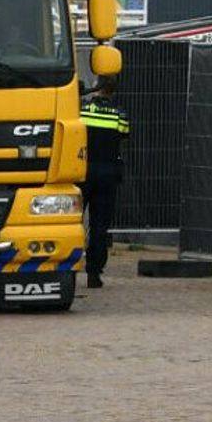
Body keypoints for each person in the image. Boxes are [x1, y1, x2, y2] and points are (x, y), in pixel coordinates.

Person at [80, 76, 130, 289]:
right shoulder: (119, 113)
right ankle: (94, 272)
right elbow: (124, 134)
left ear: (97, 85)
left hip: (82, 171)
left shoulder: (84, 109)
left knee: (73, 220)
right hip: (108, 172)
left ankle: (66, 266)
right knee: (100, 226)